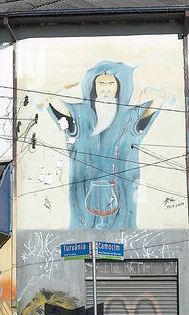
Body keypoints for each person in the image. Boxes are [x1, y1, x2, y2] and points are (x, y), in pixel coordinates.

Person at [46, 62, 161, 230]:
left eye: (111, 84)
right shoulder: (81, 114)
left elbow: (158, 101)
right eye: (101, 84)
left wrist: (150, 90)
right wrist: (64, 86)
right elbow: (52, 100)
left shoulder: (129, 116)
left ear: (119, 88)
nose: (106, 89)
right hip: (85, 193)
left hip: (121, 194)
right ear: (92, 87)